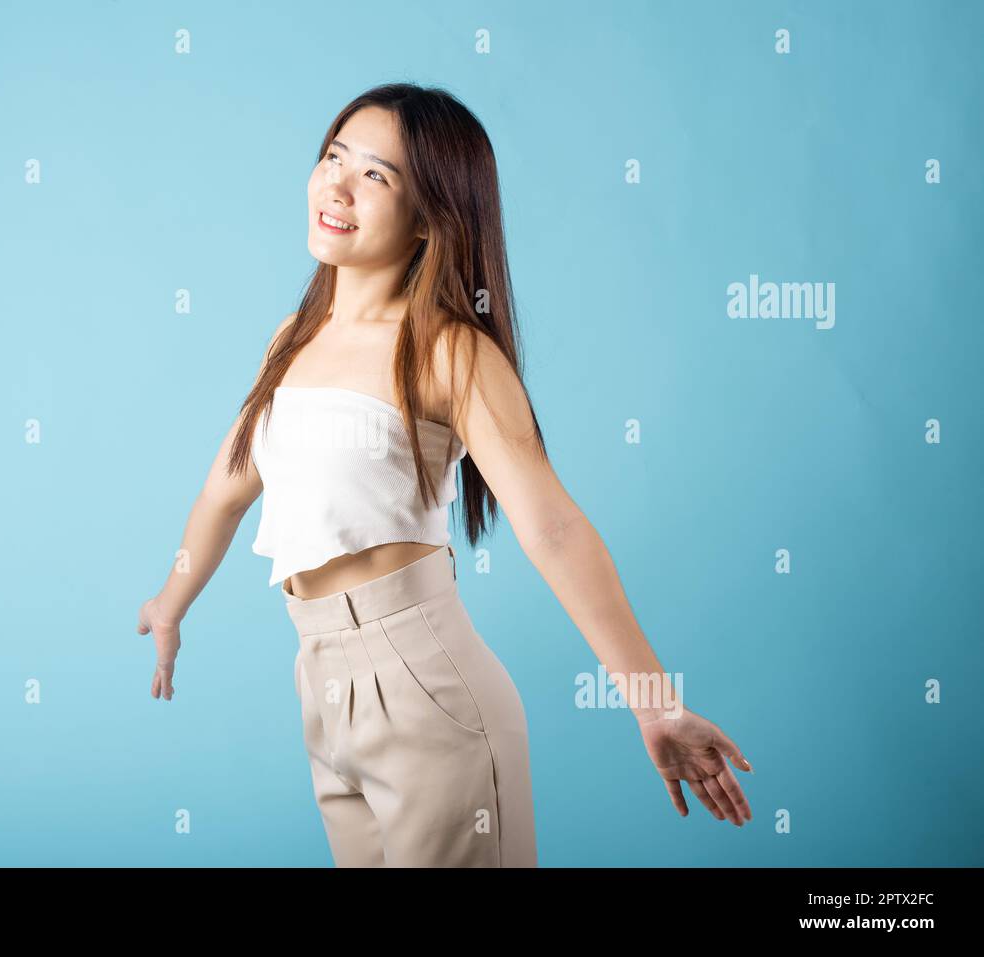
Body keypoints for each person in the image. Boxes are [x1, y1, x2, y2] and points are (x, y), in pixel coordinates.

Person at [137, 82, 752, 867]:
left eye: (376, 176)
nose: (337, 185)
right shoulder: (292, 339)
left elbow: (553, 527)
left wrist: (656, 704)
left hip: (426, 686)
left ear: (429, 218)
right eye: (334, 157)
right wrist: (170, 600)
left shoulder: (449, 350)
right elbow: (226, 487)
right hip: (321, 684)